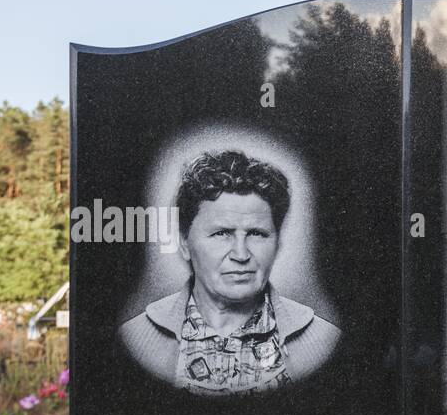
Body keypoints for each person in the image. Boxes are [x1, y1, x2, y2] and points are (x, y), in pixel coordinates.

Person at [119, 150, 340, 395]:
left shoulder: (324, 340)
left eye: (257, 234)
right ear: (184, 243)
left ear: (277, 244)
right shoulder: (135, 338)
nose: (241, 254)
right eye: (221, 233)